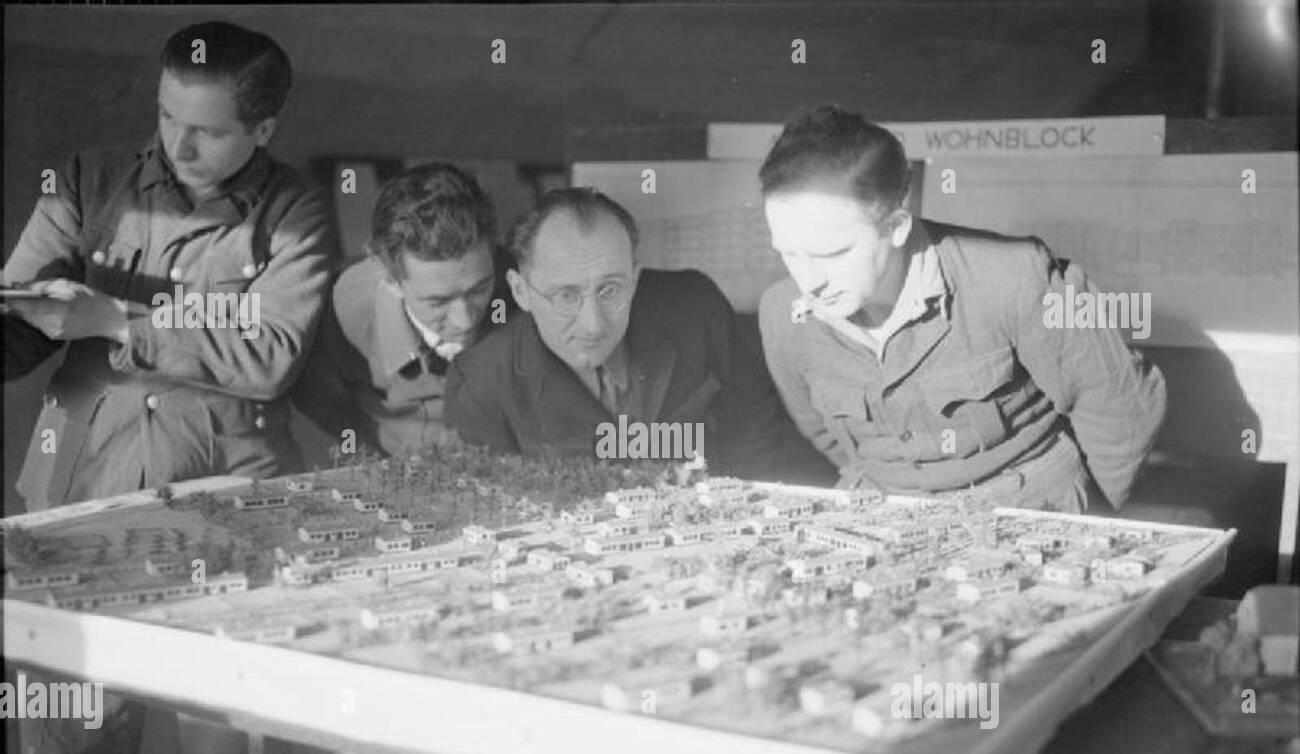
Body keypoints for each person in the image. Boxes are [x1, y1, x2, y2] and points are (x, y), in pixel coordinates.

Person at [2, 21, 332, 754]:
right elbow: (16, 331)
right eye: (166, 115)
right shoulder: (89, 181)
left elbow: (268, 353)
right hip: (83, 492)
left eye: (208, 130)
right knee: (71, 744)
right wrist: (23, 313)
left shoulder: (292, 212)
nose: (177, 144)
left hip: (224, 508)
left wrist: (114, 321)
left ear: (262, 132)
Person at [755, 105, 1166, 512]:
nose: (810, 281)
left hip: (1025, 509)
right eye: (789, 253)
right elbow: (825, 434)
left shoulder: (1015, 277)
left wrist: (1087, 519)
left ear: (897, 226)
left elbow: (1122, 405)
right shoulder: (782, 313)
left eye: (833, 253)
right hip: (884, 513)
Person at [445, 186, 832, 484]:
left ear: (634, 278)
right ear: (520, 292)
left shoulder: (695, 308)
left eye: (611, 290)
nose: (594, 325)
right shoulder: (480, 383)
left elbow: (759, 446)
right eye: (566, 296)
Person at [291, 162, 513, 458]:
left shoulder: (529, 286)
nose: (465, 320)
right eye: (437, 302)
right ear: (390, 280)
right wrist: (385, 450)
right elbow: (321, 399)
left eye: (479, 289)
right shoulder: (341, 311)